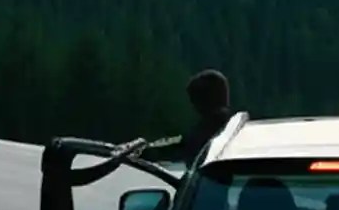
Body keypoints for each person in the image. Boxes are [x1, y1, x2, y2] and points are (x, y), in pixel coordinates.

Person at [67, 68, 234, 186]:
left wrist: (142, 151)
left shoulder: (207, 133)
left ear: (203, 101)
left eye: (195, 101)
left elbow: (178, 146)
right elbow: (178, 145)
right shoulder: (232, 132)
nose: (193, 107)